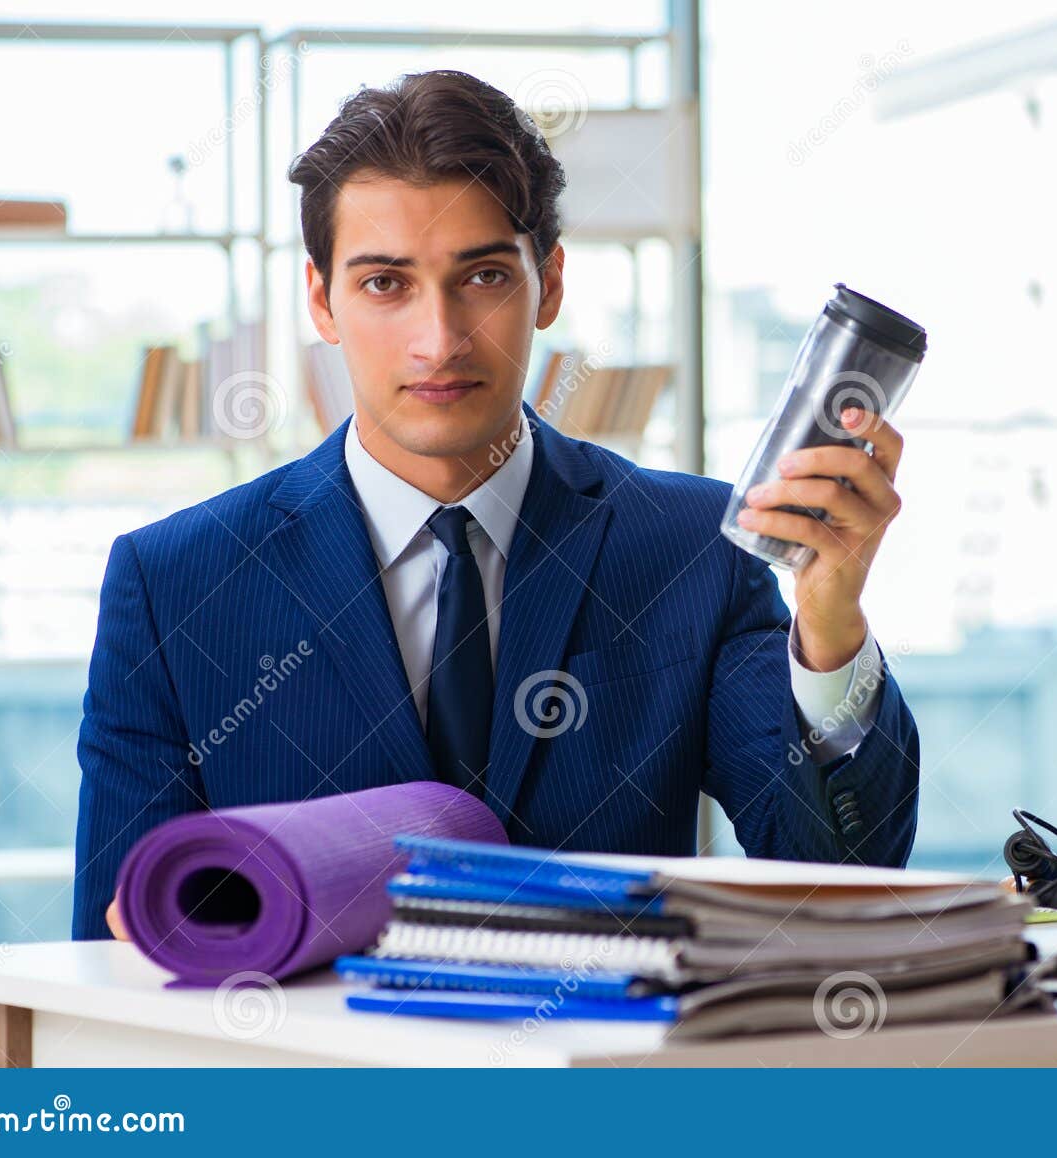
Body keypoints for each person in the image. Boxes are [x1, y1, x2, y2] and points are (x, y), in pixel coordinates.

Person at [73, 70, 919, 942]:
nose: (438, 340)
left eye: (480, 276)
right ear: (322, 300)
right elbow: (106, 966)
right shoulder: (175, 584)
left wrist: (829, 624)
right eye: (384, 284)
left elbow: (838, 883)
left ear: (547, 283)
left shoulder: (689, 553)